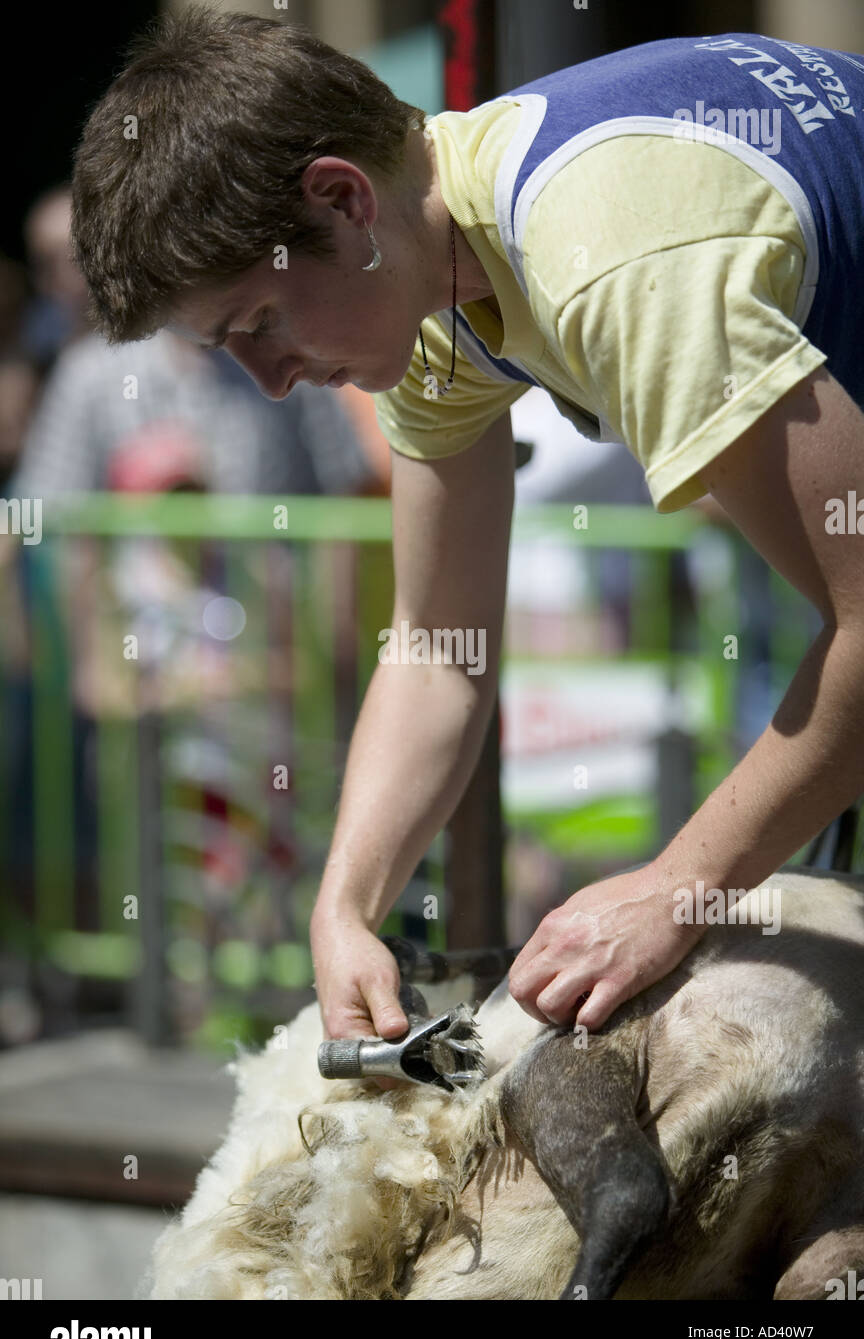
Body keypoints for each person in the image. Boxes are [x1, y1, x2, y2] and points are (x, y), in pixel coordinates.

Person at [68, 8, 864, 1065]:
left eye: (258, 322)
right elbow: (438, 646)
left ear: (343, 201)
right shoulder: (437, 283)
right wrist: (344, 906)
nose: (266, 381)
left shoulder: (611, 250)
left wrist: (676, 883)